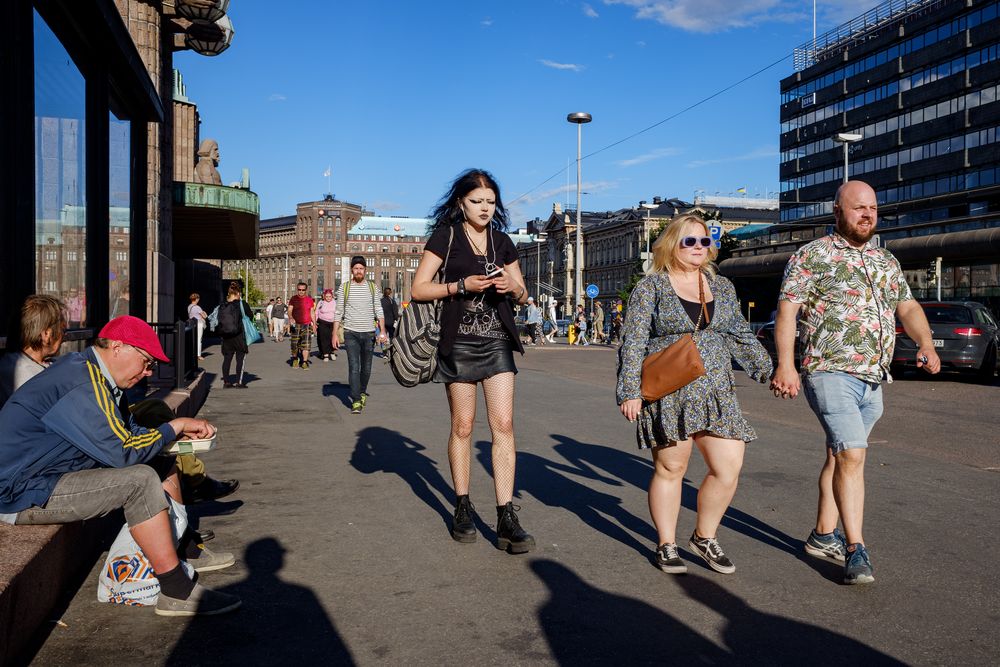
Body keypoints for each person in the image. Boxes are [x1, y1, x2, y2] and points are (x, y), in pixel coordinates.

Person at [0, 315, 240, 616]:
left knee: (160, 459)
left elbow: (129, 433)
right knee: (138, 481)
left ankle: (182, 548)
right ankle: (175, 590)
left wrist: (174, 431)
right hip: (19, 493)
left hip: (47, 477)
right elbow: (123, 453)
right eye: (146, 361)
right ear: (118, 347)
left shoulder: (94, 375)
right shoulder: (81, 381)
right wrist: (174, 424)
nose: (147, 371)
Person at [770, 180, 940, 585]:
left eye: (873, 209)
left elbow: (907, 305)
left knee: (839, 455)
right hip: (828, 370)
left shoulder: (886, 261)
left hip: (873, 378)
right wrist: (785, 365)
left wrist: (927, 342)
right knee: (853, 456)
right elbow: (787, 313)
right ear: (838, 212)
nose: (867, 215)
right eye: (858, 208)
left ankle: (822, 534)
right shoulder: (812, 256)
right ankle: (855, 548)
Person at [617, 213, 772, 575]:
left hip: (717, 390)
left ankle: (704, 536)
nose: (699, 248)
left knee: (728, 466)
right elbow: (633, 341)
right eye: (690, 241)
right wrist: (629, 391)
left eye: (704, 241)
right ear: (672, 245)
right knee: (672, 467)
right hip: (670, 390)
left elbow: (738, 332)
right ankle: (667, 544)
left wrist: (768, 367)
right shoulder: (651, 287)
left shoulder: (722, 287)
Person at [410, 168, 535, 554]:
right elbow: (418, 288)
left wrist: (510, 287)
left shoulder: (502, 241)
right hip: (458, 342)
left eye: (490, 202)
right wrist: (459, 286)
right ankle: (462, 506)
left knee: (504, 425)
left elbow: (523, 293)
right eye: (476, 201)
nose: (484, 208)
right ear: (461, 203)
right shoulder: (445, 238)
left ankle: (505, 515)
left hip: (496, 340)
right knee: (463, 426)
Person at [333, 257, 385, 414]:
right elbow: (338, 311)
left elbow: (378, 309)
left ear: (365, 270)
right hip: (351, 333)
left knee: (367, 368)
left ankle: (362, 391)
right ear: (352, 270)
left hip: (369, 333)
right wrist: (334, 334)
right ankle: (356, 400)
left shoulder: (372, 287)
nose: (358, 271)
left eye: (361, 268)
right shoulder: (344, 288)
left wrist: (382, 330)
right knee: (354, 366)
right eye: (356, 268)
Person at [0, 295, 66, 408]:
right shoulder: (34, 379)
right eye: (63, 330)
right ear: (46, 334)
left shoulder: (8, 362)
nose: (64, 336)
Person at [219, 282, 253, 388]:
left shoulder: (223, 304)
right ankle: (239, 382)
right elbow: (250, 316)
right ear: (238, 293)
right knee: (240, 359)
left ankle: (226, 382)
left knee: (227, 359)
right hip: (239, 336)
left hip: (226, 336)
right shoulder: (242, 304)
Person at [287, 282, 315, 369]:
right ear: (297, 289)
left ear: (306, 290)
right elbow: (289, 310)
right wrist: (291, 317)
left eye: (303, 290)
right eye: (299, 290)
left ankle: (305, 362)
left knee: (306, 344)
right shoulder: (293, 299)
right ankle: (295, 359)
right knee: (294, 344)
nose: (301, 291)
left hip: (306, 325)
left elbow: (312, 312)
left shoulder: (309, 300)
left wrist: (314, 324)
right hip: (296, 325)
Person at [314, 289, 338, 362]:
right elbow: (316, 312)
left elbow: (338, 312)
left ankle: (332, 352)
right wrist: (314, 322)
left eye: (329, 296)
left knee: (332, 337)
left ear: (332, 296)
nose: (328, 298)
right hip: (322, 322)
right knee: (324, 339)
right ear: (324, 296)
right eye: (326, 296)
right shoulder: (321, 302)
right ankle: (325, 354)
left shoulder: (335, 302)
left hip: (333, 323)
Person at [187, 293, 206, 361]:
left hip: (192, 324)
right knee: (199, 339)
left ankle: (193, 354)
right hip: (199, 323)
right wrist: (204, 314)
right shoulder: (197, 307)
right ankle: (198, 355)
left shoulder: (189, 306)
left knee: (193, 339)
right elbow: (204, 316)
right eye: (198, 299)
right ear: (197, 299)